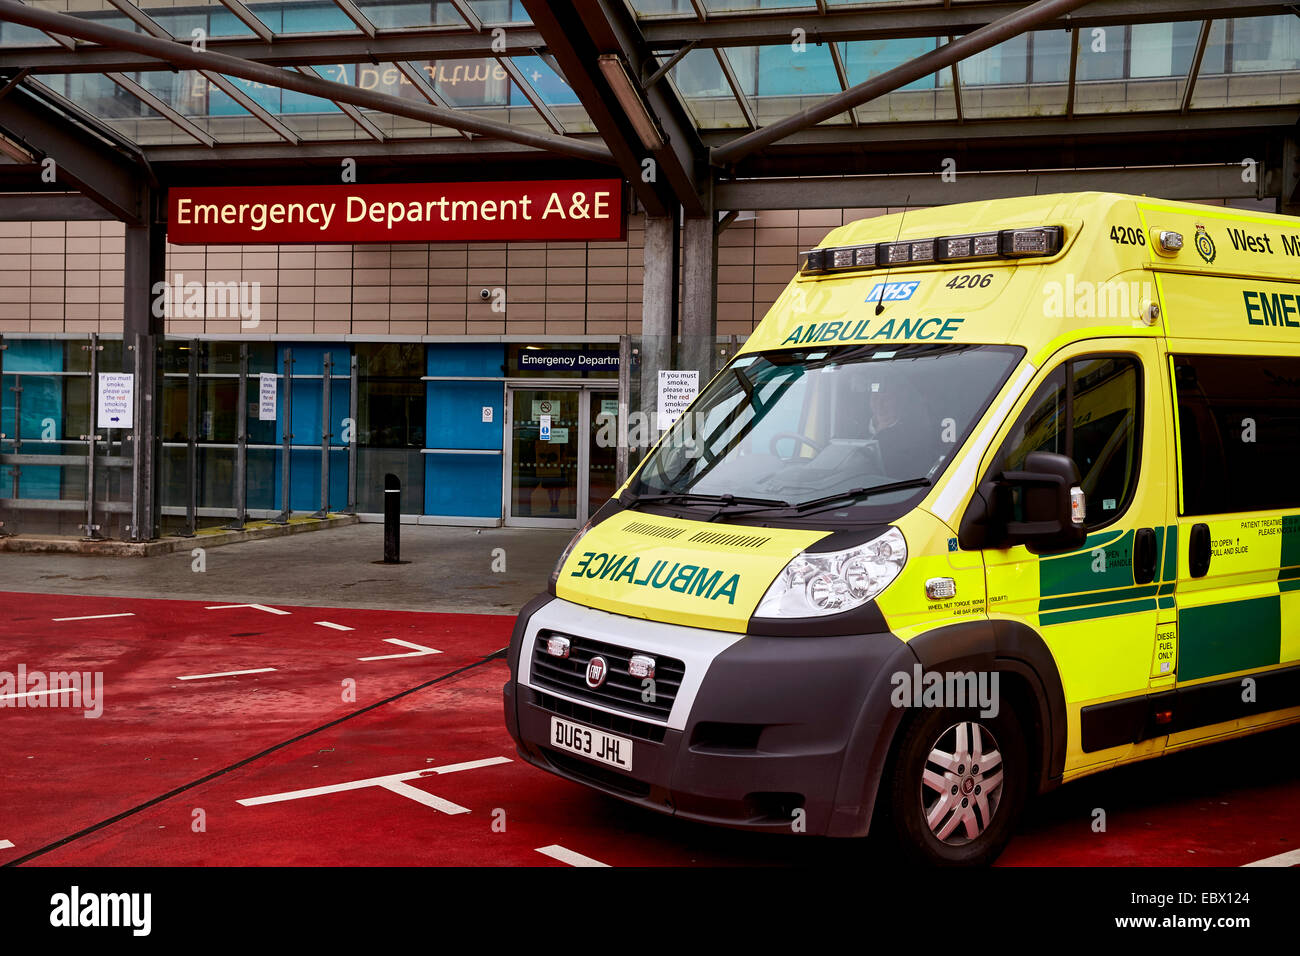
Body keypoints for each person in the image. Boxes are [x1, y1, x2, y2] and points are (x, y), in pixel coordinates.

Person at [868, 380, 934, 478]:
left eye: (886, 399)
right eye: (875, 398)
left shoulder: (912, 437)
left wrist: (881, 433)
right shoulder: (850, 428)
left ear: (898, 401)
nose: (879, 405)